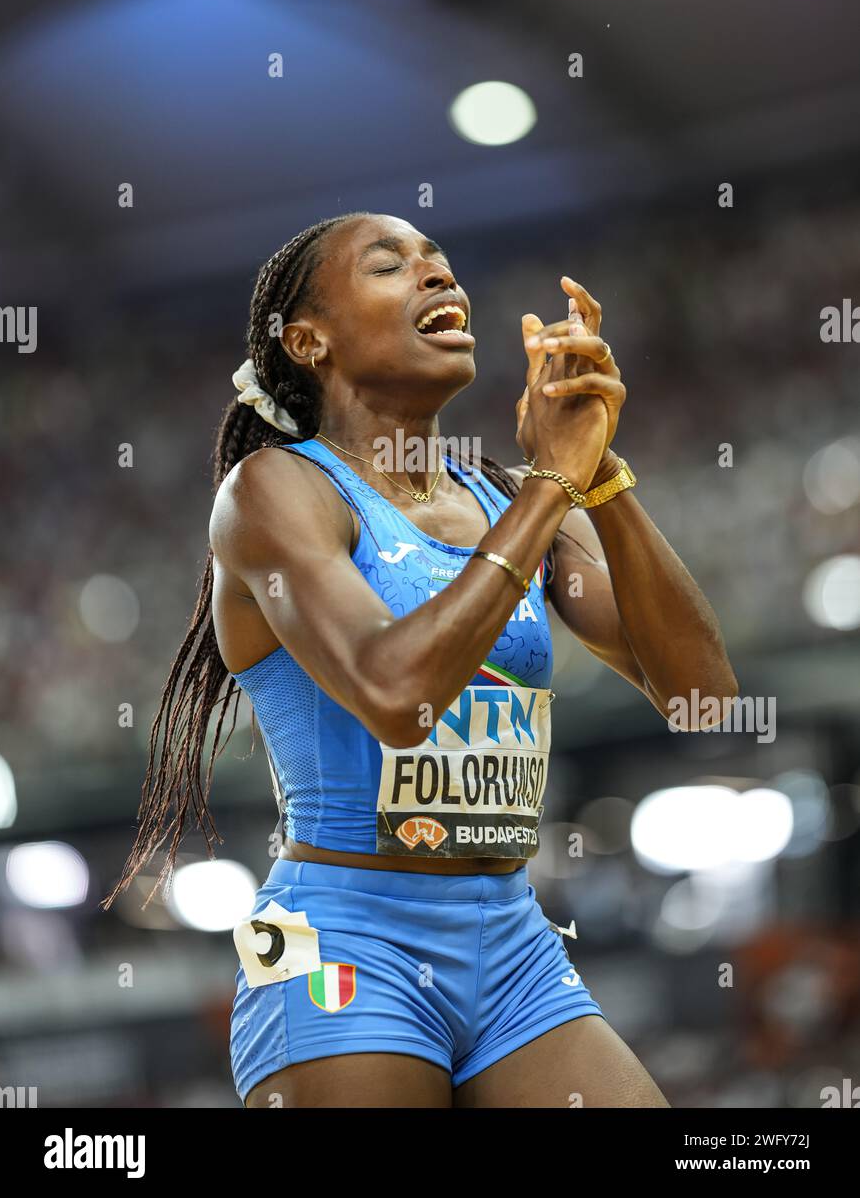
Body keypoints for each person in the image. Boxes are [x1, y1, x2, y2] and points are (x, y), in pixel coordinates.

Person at [106, 210, 737, 1107]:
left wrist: (597, 471)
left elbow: (703, 700)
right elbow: (398, 696)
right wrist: (552, 490)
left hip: (512, 939)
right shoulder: (276, 492)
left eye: (441, 263)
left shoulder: (506, 498)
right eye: (390, 265)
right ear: (307, 339)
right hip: (343, 942)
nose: (437, 277)